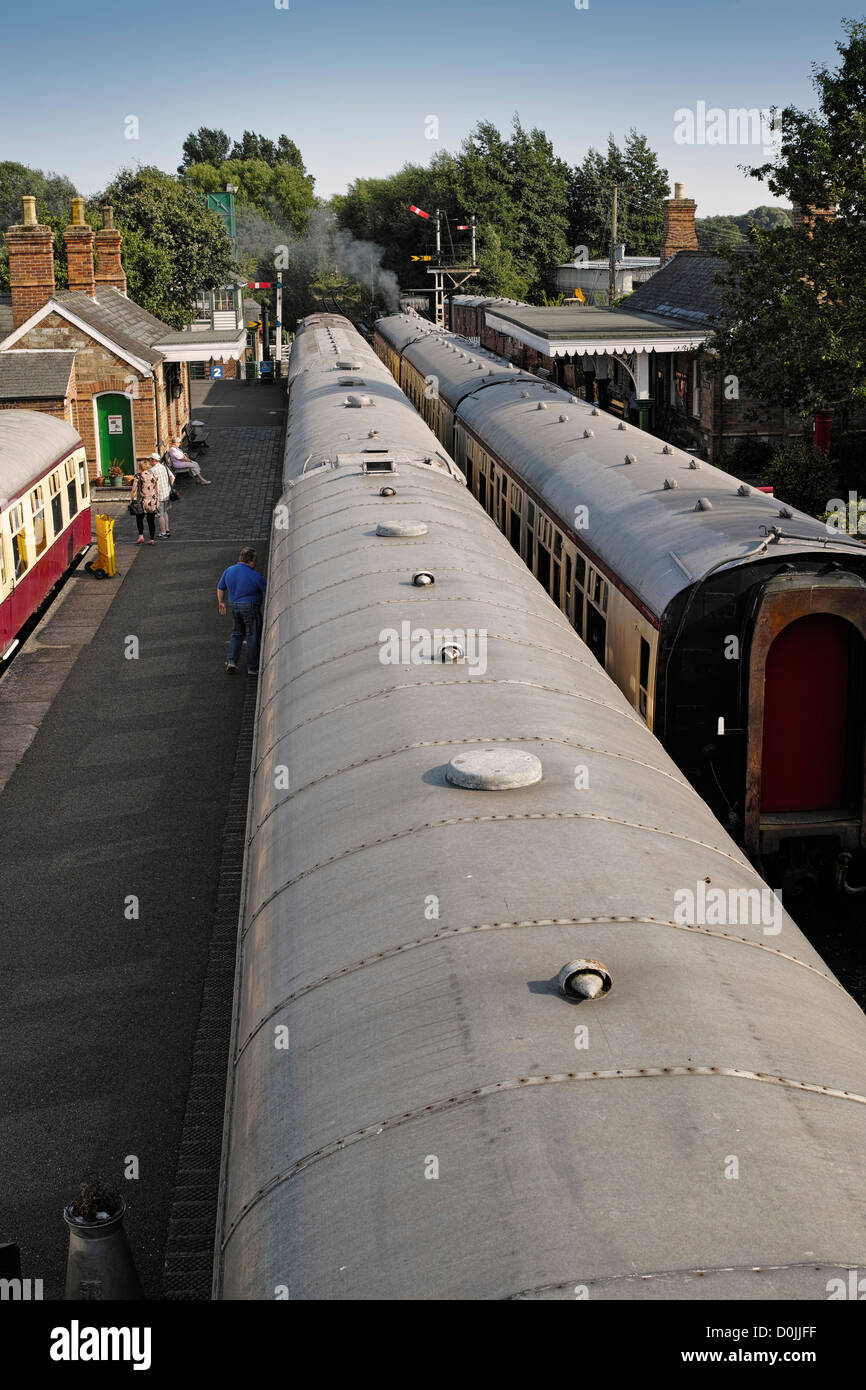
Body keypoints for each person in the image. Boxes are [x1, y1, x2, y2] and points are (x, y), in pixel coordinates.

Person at [217, 547, 267, 675]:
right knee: (252, 636)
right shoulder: (255, 576)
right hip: (250, 607)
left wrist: (221, 602)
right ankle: (252, 667)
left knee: (237, 633)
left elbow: (220, 587)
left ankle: (232, 661)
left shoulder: (229, 570)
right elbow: (266, 588)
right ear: (251, 561)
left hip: (234, 606)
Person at [130, 459, 159, 544]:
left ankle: (141, 536)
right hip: (151, 501)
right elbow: (157, 490)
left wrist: (131, 499)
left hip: (141, 501)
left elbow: (134, 490)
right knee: (151, 520)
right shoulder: (154, 475)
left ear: (140, 467)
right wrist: (156, 499)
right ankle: (152, 539)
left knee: (139, 519)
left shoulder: (138, 476)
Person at [149, 451, 176, 537]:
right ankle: (167, 529)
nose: (149, 461)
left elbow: (151, 484)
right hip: (167, 493)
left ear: (154, 460)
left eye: (150, 459)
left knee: (159, 515)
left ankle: (163, 533)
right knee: (165, 512)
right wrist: (168, 486)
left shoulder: (152, 470)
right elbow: (173, 477)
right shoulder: (164, 467)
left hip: (159, 495)